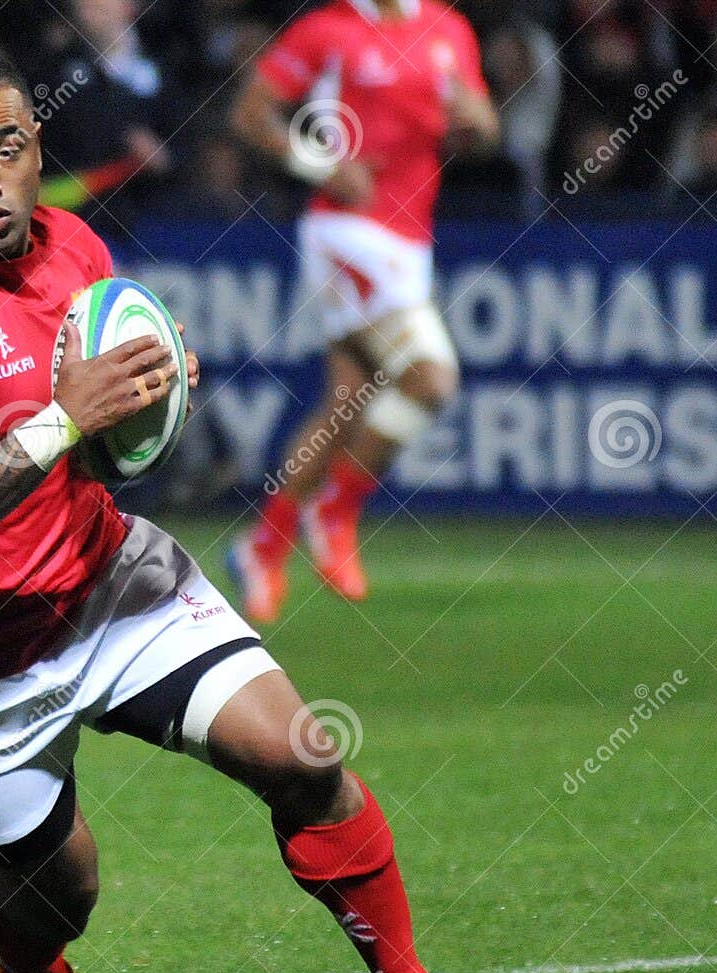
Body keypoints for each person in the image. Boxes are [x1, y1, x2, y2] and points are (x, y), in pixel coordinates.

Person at [0, 46, 532, 973]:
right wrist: (68, 420)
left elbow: (115, 436)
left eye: (6, 150)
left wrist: (152, 392)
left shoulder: (74, 250)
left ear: (35, 153)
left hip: (111, 586)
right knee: (60, 895)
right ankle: (24, 971)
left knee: (301, 755)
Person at [225, 0, 499, 622]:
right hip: (346, 230)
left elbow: (482, 123)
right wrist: (317, 163)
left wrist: (478, 123)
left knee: (344, 404)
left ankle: (262, 547)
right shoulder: (328, 30)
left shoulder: (448, 29)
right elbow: (249, 114)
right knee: (431, 377)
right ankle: (336, 507)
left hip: (411, 236)